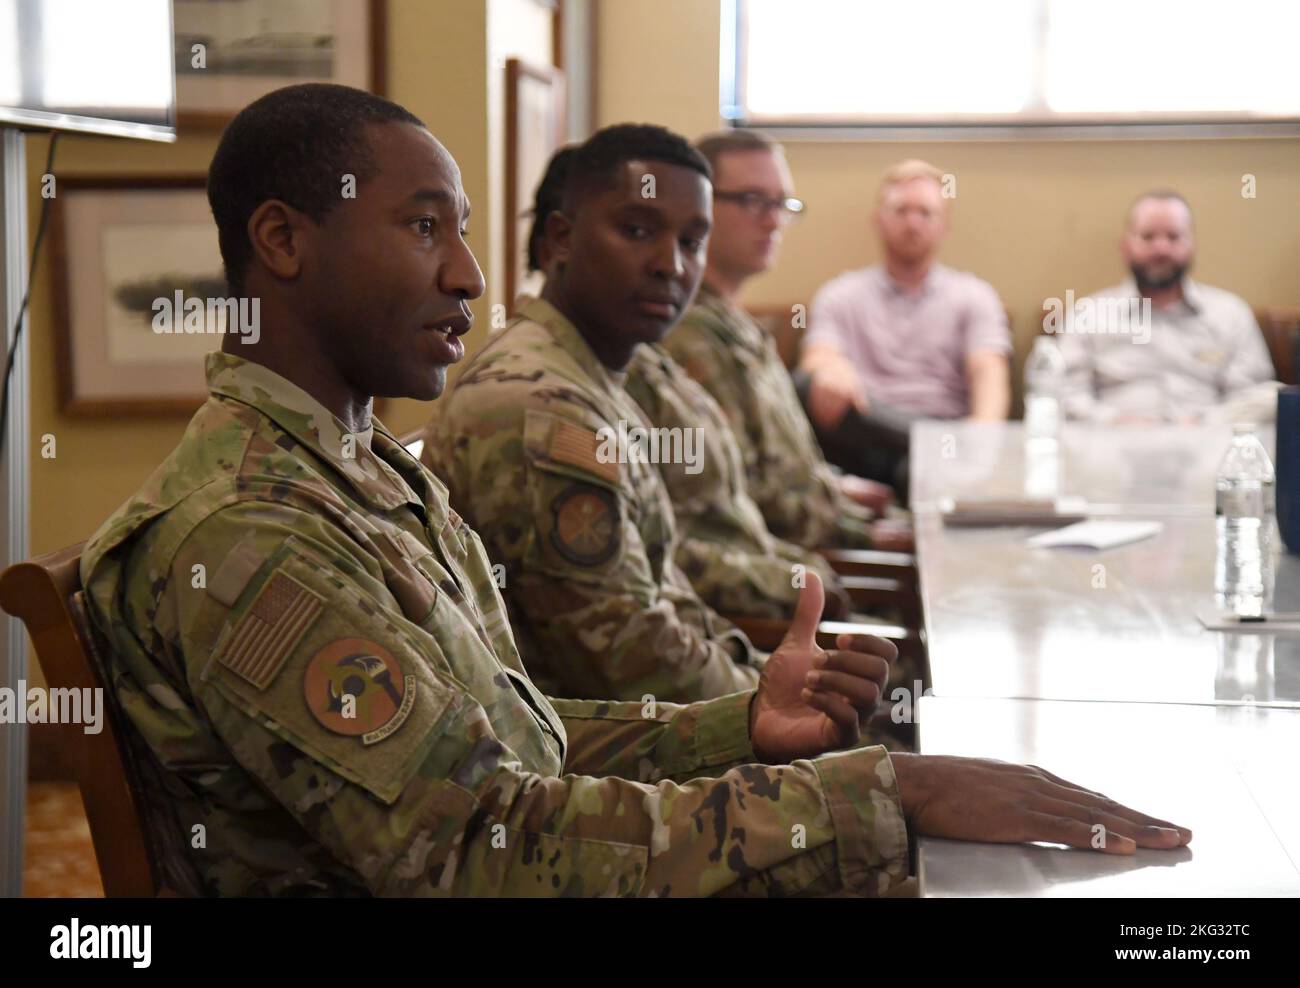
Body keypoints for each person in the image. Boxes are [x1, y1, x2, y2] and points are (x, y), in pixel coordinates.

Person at [81, 85, 1191, 898]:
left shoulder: (357, 472)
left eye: (462, 230)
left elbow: (509, 745)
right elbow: (477, 849)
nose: (468, 271)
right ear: (281, 239)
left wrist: (741, 725)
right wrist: (876, 797)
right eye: (425, 228)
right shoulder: (251, 531)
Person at [519, 143, 853, 625]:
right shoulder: (568, 378)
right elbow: (642, 591)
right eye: (636, 232)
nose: (666, 264)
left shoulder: (652, 348)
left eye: (782, 204)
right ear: (562, 239)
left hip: (743, 613)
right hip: (736, 626)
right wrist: (806, 584)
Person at [664, 130, 909, 551]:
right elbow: (745, 507)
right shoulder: (687, 336)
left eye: (782, 204)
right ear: (696, 206)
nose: (774, 220)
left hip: (820, 545)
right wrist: (864, 533)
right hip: (794, 572)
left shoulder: (740, 327)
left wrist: (836, 490)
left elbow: (786, 472)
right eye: (752, 201)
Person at [799, 159, 1011, 493]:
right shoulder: (840, 295)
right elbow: (819, 355)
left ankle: (922, 454)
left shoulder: (974, 297)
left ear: (945, 225)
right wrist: (830, 368)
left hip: (948, 446)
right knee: (803, 385)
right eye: (900, 211)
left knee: (923, 468)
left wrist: (982, 437)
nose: (912, 223)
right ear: (878, 220)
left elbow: (989, 373)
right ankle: (923, 448)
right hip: (863, 439)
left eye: (926, 213)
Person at [1058, 190, 1276, 424]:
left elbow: (1256, 397)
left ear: (1191, 245)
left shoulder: (1231, 314)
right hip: (1109, 450)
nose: (1161, 249)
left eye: (1173, 237)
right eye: (1148, 236)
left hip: (1210, 449)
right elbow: (1062, 395)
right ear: (1125, 246)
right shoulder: (1088, 315)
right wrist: (1115, 421)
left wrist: (1203, 422)